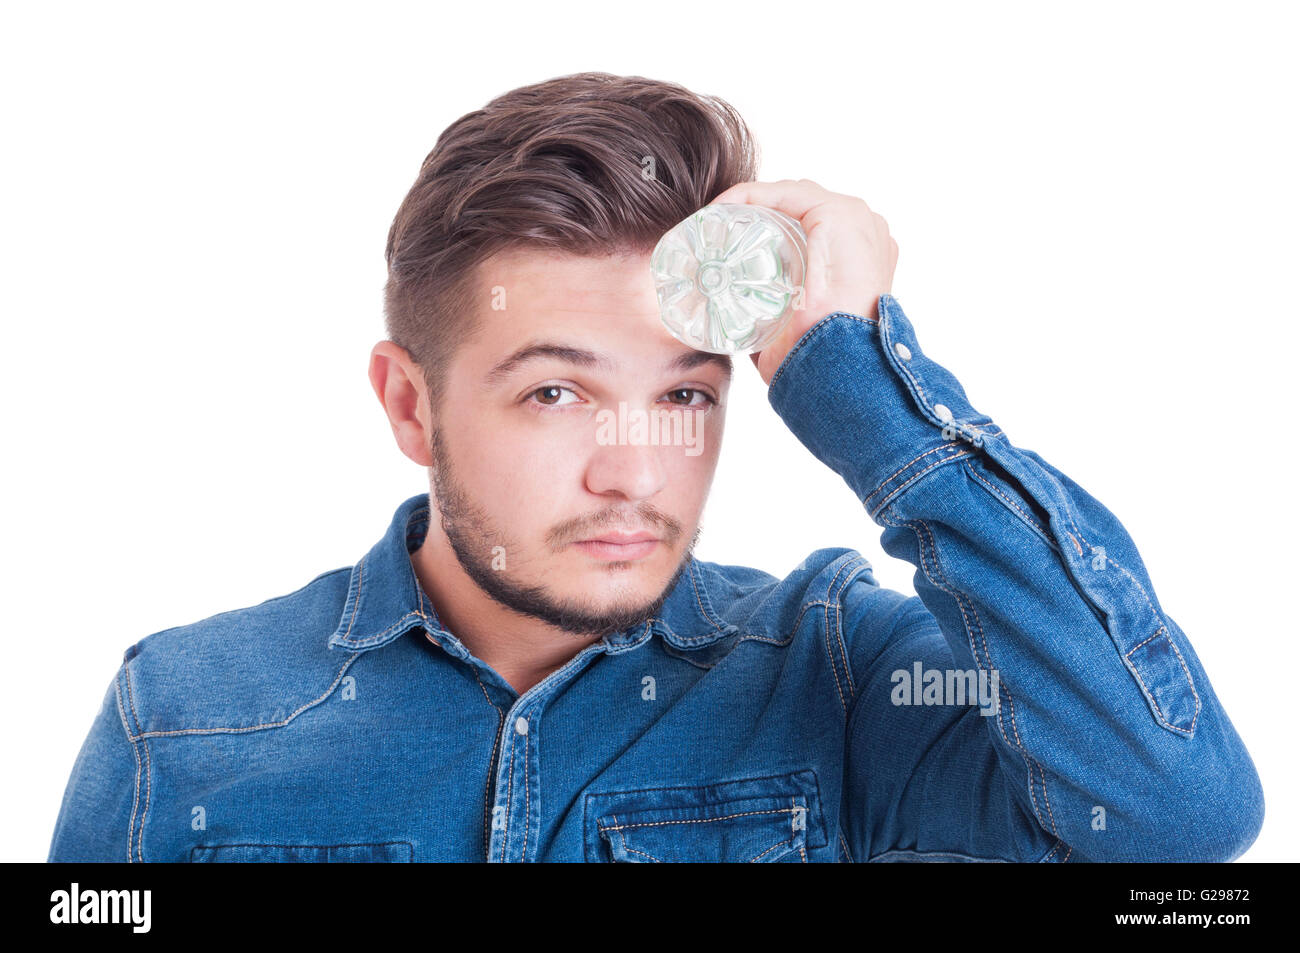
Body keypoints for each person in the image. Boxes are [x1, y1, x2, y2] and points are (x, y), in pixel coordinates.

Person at [48, 71, 1263, 863]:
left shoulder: (835, 671)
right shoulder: (185, 716)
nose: (635, 469)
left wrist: (866, 386)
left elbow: (1172, 812)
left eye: (686, 392)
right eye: (556, 392)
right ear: (409, 405)